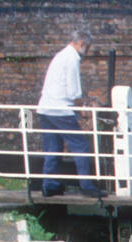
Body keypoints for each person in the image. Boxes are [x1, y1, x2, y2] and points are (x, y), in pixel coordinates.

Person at [37, 30, 103, 198]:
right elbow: (74, 91)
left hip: (45, 108)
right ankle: (87, 186)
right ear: (81, 43)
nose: (86, 53)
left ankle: (49, 186)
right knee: (81, 146)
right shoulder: (72, 58)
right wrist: (84, 107)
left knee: (53, 148)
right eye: (87, 49)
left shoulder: (60, 56)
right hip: (61, 109)